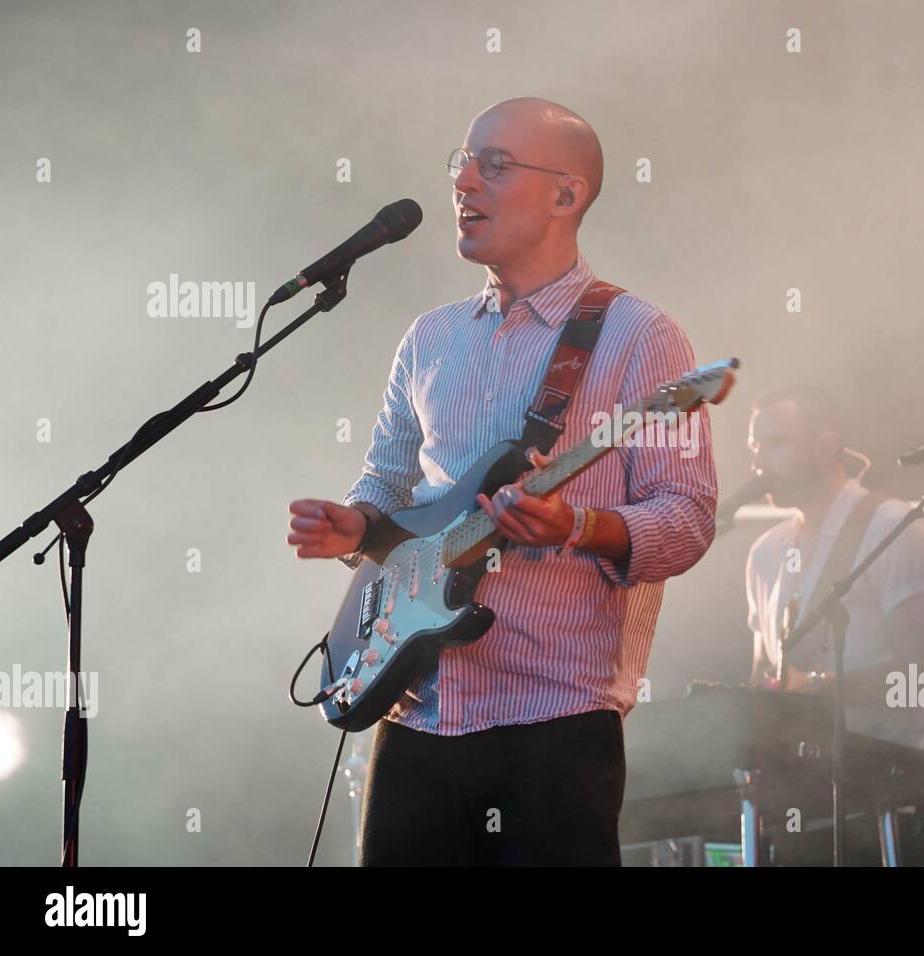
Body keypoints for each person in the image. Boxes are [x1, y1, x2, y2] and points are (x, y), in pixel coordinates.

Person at [285, 97, 717, 865]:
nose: (465, 183)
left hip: (553, 718)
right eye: (461, 162)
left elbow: (685, 518)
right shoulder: (432, 337)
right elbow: (386, 485)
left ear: (566, 194)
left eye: (495, 165)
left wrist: (577, 527)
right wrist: (355, 525)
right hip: (416, 703)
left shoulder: (641, 336)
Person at [744, 385, 924, 864]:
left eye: (776, 443)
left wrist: (815, 686)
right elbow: (762, 677)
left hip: (889, 809)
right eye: (755, 447)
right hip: (797, 803)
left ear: (826, 446)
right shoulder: (764, 552)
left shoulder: (890, 525)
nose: (758, 462)